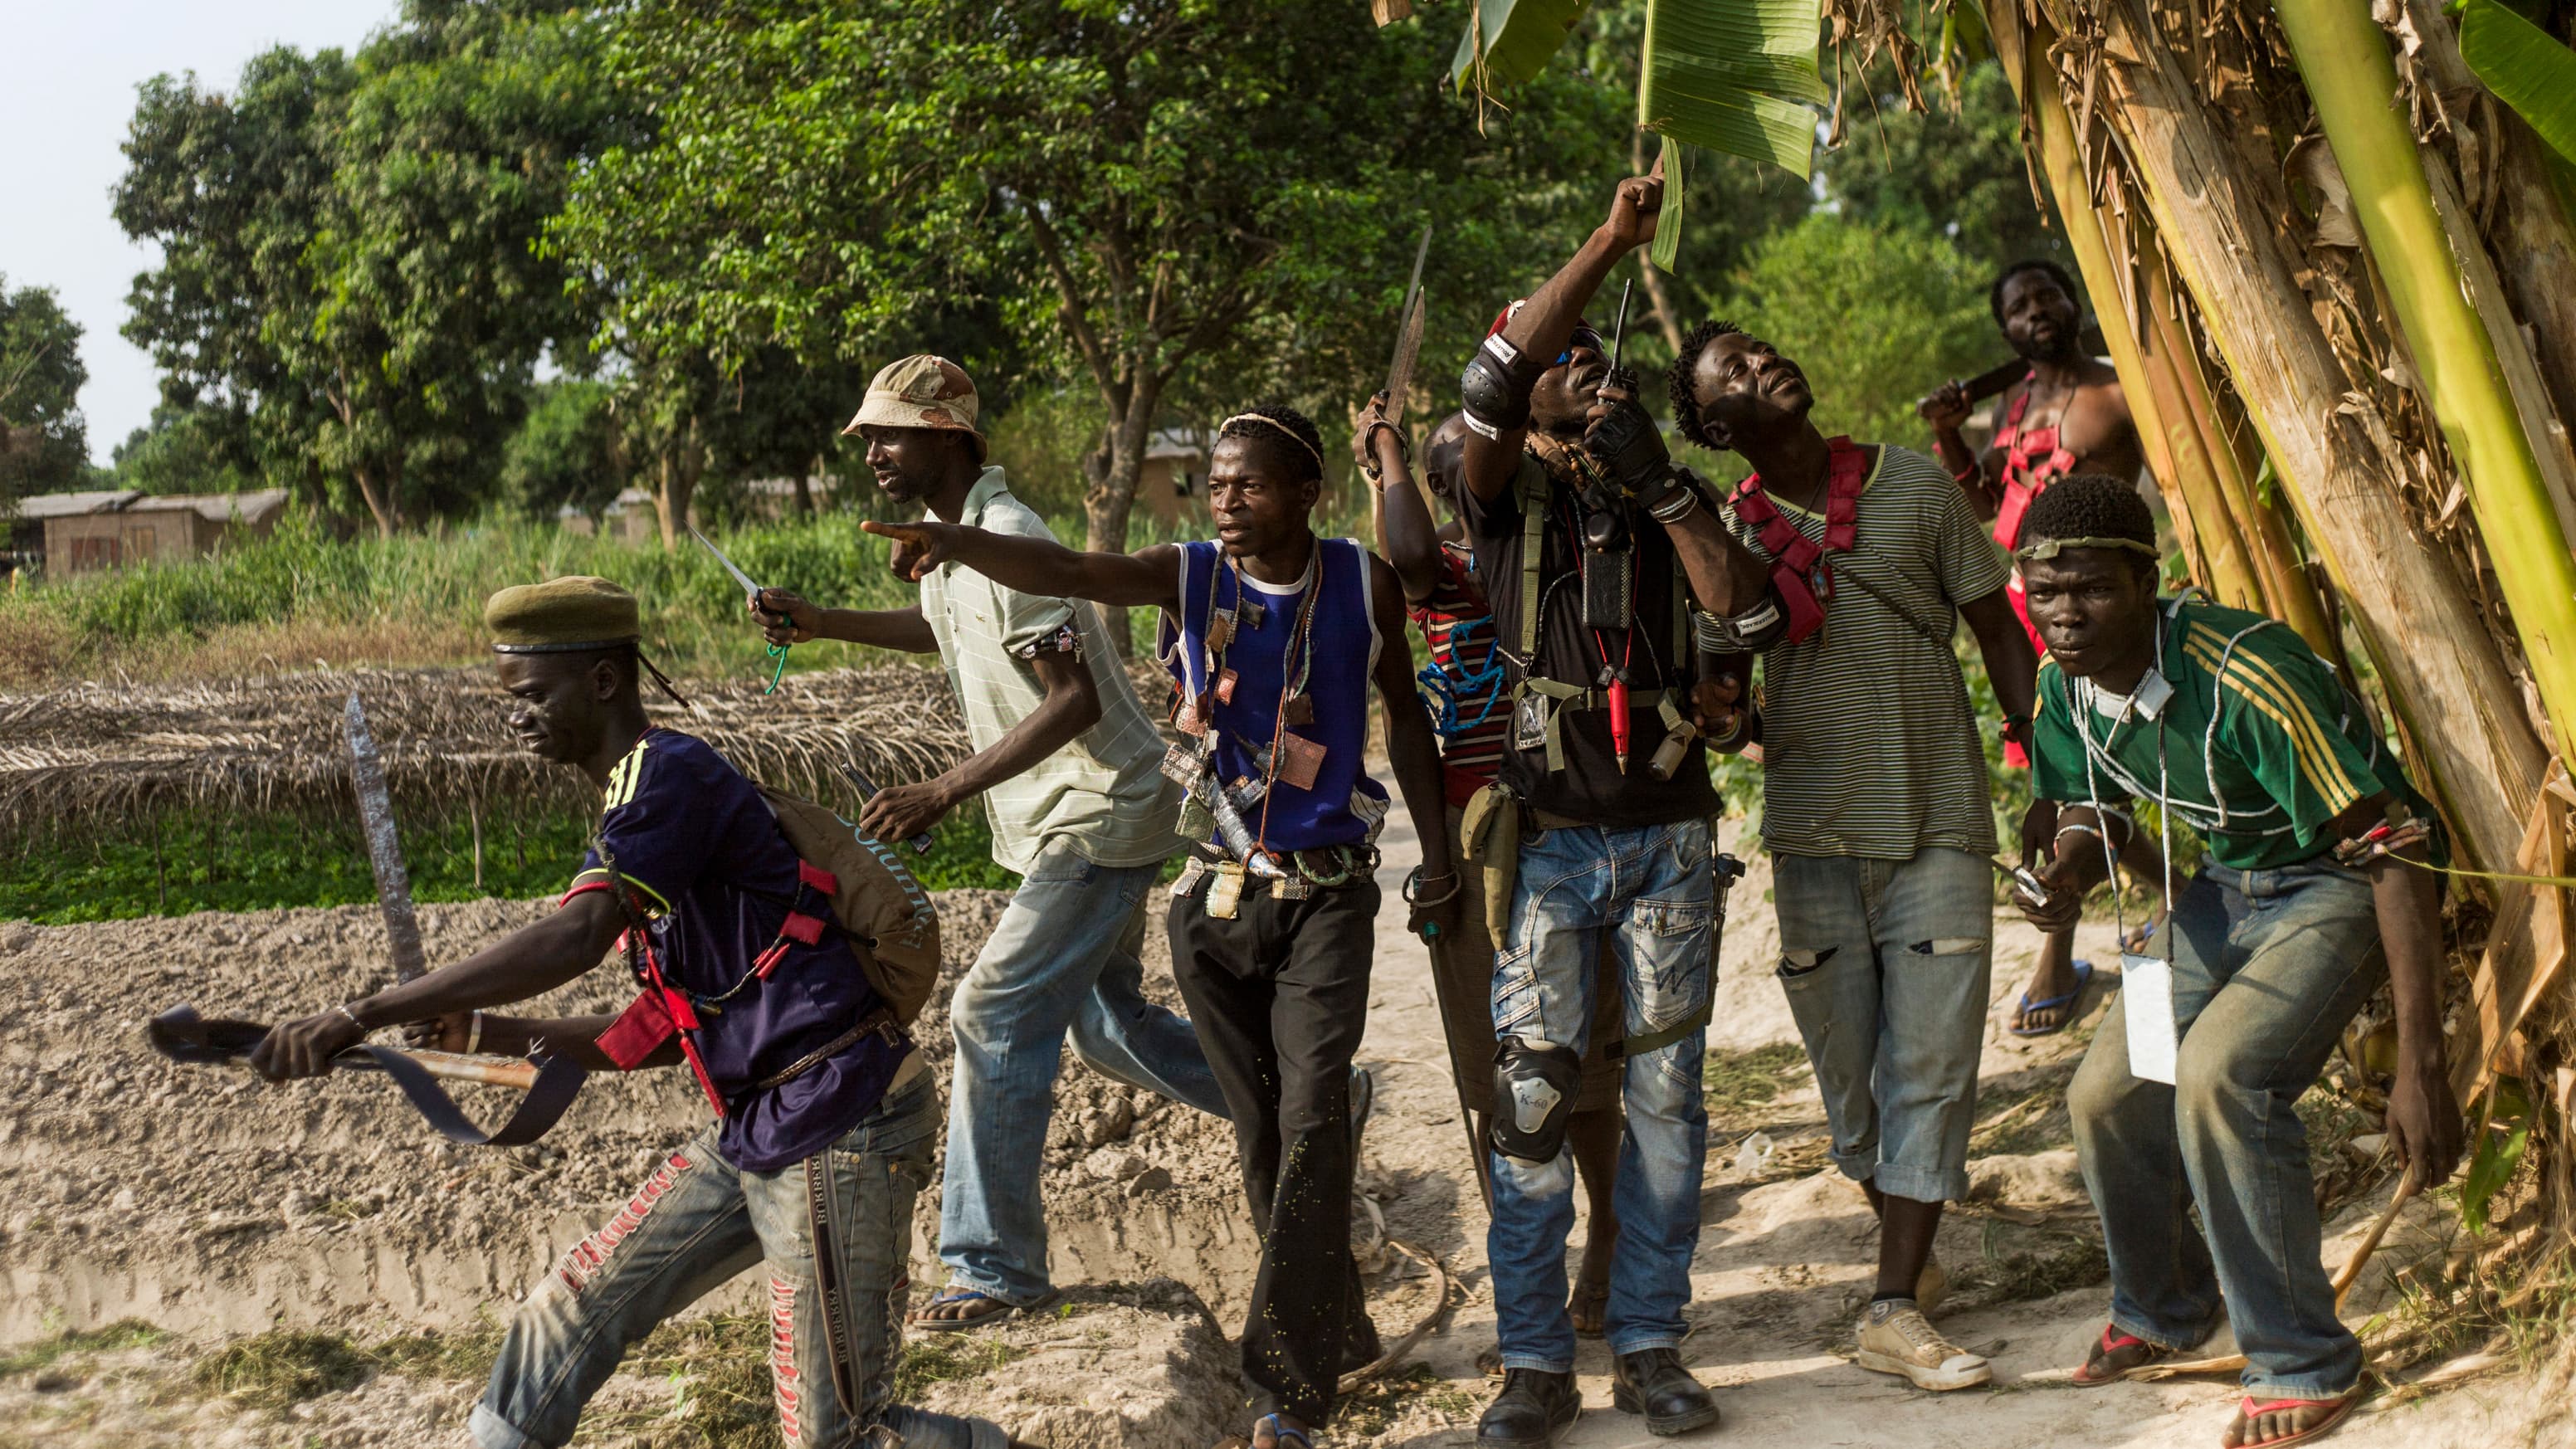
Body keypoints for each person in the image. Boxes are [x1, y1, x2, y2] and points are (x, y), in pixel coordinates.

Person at [248, 576, 1017, 1449]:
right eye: (510, 699)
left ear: (605, 681)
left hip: (840, 1119)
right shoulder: (638, 802)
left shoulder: (668, 778)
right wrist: (486, 1035)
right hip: (761, 1123)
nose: (517, 718)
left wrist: (366, 1011)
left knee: (835, 1438)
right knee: (567, 1313)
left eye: (532, 696)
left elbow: (575, 937)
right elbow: (660, 1028)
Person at [859, 405, 1459, 1449]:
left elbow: (1404, 711)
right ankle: (1338, 1325)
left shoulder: (1359, 582)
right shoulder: (1190, 576)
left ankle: (1287, 1393)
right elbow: (1074, 574)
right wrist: (953, 542)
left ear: (1305, 493)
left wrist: (1438, 858)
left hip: (1327, 896)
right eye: (1215, 485)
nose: (1226, 503)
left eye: (1249, 485)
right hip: (1215, 905)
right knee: (1266, 1134)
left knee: (1311, 1120)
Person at [746, 354, 1227, 1328]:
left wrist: (942, 789)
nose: (872, 454)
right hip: (1074, 814)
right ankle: (1310, 1097)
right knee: (1107, 1027)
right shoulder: (953, 545)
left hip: (1095, 813)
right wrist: (822, 621)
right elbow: (947, 629)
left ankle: (992, 1268)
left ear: (949, 436)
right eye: (869, 438)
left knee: (991, 1010)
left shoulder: (1007, 536)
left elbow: (1073, 698)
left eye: (890, 435)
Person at [2008, 474, 2465, 1449]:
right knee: (2106, 1092)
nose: (2065, 614)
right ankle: (2163, 1306)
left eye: (2091, 589)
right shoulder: (2062, 682)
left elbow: (2390, 844)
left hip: (2335, 884)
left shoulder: (2243, 673)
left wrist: (2423, 1061)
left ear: (2146, 584)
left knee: (2220, 1077)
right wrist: (2067, 872)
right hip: (2220, 889)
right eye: (2044, 593)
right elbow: (2091, 804)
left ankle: (2302, 1361)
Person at [1450, 163, 1773, 1448]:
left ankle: (1649, 1342)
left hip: (1670, 841)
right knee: (1531, 1104)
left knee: (1669, 1105)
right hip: (1549, 846)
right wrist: (1607, 241)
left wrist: (1662, 483)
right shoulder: (1499, 492)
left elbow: (1744, 610)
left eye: (1596, 356)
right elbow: (1489, 379)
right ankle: (1535, 1362)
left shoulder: (1659, 496)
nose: (1580, 363)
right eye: (1559, 355)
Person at [1667, 318, 2042, 1393]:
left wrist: (2046, 775)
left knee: (1934, 1062)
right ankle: (1909, 1255)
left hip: (1937, 812)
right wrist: (1719, 715)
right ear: (1715, 426)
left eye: (1762, 350)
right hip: (1813, 829)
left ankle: (1890, 1306)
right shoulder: (1722, 532)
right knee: (1850, 1088)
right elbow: (1727, 700)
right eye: (1734, 371)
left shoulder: (1914, 484)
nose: (1764, 364)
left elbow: (1999, 629)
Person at [1357, 405, 1627, 1338]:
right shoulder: (1435, 574)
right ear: (1439, 491)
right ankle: (1528, 1273)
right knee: (1494, 1068)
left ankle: (1607, 1233)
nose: (1484, 471)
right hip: (1474, 838)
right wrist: (1387, 452)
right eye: (1454, 467)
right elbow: (1405, 553)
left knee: (1586, 1061)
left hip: (1574, 824)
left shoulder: (1556, 555)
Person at [1921, 260, 2164, 1037]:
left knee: (2081, 779)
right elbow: (1984, 504)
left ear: (2072, 302)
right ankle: (2177, 892)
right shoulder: (2014, 405)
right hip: (2034, 612)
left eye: (2047, 296)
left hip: (2105, 611)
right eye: (2019, 306)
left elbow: (2180, 478)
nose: (2037, 311)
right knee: (2067, 774)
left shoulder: (2117, 388)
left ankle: (2059, 954)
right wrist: (1947, 432)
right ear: (2006, 330)